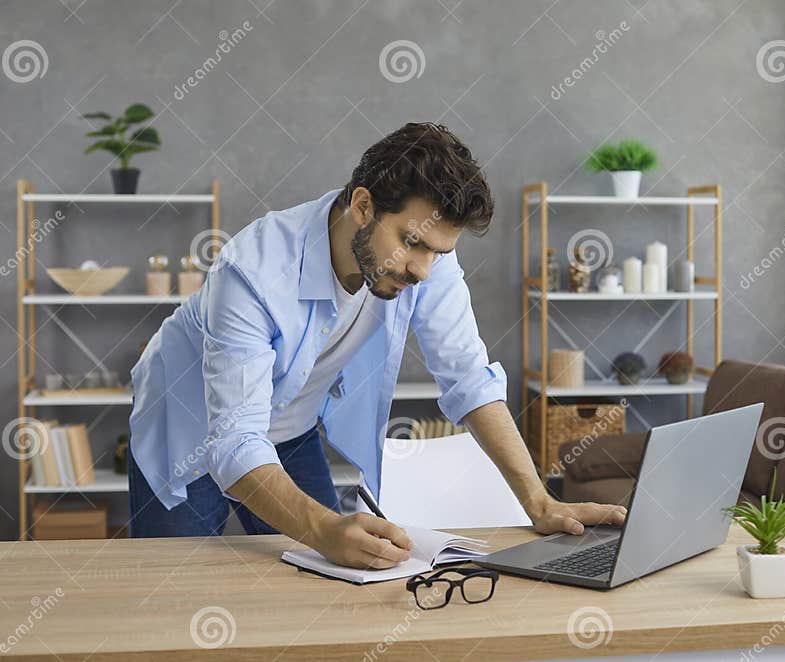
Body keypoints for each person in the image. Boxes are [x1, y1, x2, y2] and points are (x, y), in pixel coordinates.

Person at [128, 122, 627, 569]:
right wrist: (322, 529)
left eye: (437, 251)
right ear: (363, 205)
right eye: (411, 243)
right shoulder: (253, 272)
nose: (422, 270)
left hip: (291, 427)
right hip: (188, 429)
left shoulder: (426, 256)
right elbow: (234, 441)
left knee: (331, 584)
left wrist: (539, 503)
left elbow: (470, 378)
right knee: (171, 598)